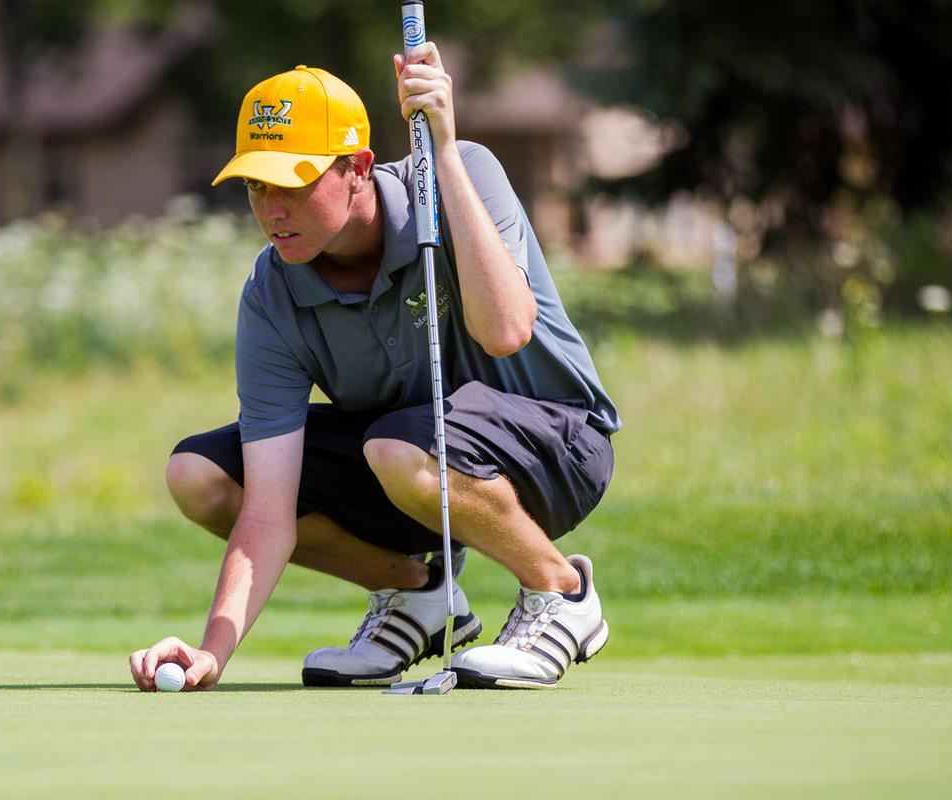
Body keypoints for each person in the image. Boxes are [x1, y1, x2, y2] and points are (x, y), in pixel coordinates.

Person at [129, 44, 620, 692]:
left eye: (293, 184)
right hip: (408, 471)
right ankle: (419, 594)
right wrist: (212, 650)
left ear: (357, 167)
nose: (272, 209)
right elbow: (268, 508)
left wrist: (442, 153)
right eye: (256, 186)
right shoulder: (272, 295)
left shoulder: (462, 172)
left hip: (559, 447)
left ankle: (562, 592)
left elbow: (505, 332)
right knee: (201, 476)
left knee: (395, 445)